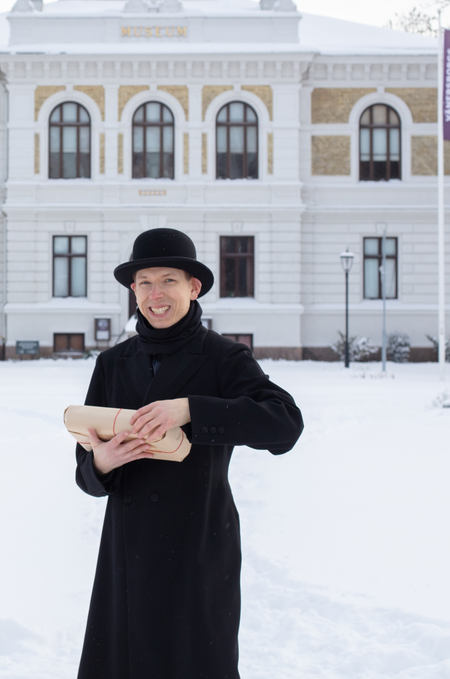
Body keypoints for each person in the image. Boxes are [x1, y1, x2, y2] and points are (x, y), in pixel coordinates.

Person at [75, 228, 303, 679]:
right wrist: (103, 462)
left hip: (199, 545)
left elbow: (284, 425)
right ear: (132, 291)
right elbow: (84, 472)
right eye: (144, 283)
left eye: (169, 281)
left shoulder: (224, 358)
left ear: (194, 287)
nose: (155, 294)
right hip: (127, 552)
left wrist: (190, 410)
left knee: (196, 662)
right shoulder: (112, 363)